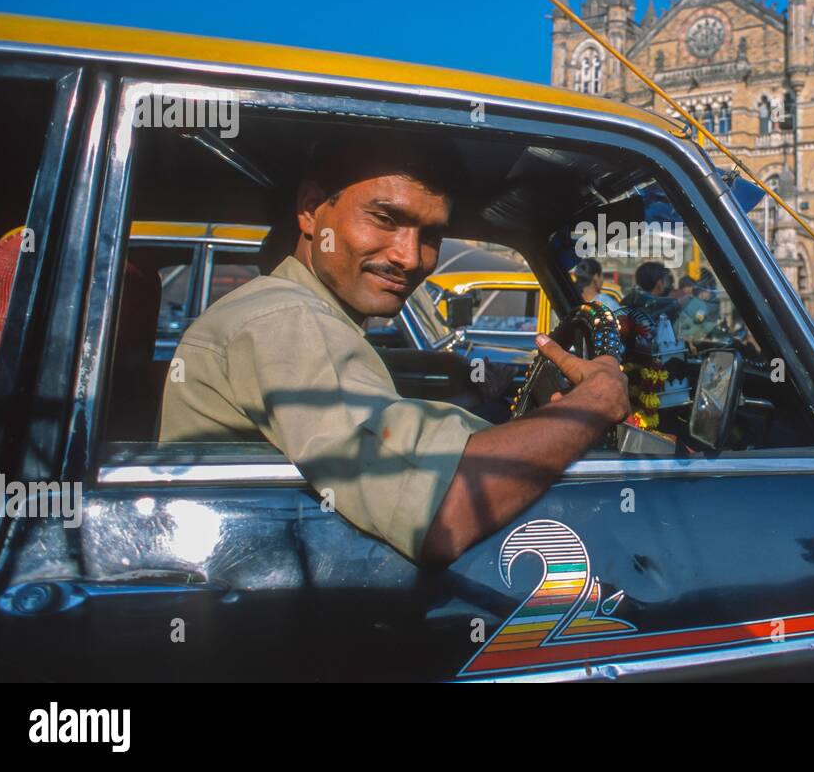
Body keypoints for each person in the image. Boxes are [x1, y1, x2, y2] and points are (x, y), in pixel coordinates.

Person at [159, 135, 630, 567]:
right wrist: (593, 405)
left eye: (430, 236)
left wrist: (467, 376)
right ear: (309, 210)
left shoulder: (304, 316)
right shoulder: (286, 319)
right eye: (385, 219)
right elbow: (443, 511)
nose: (410, 256)